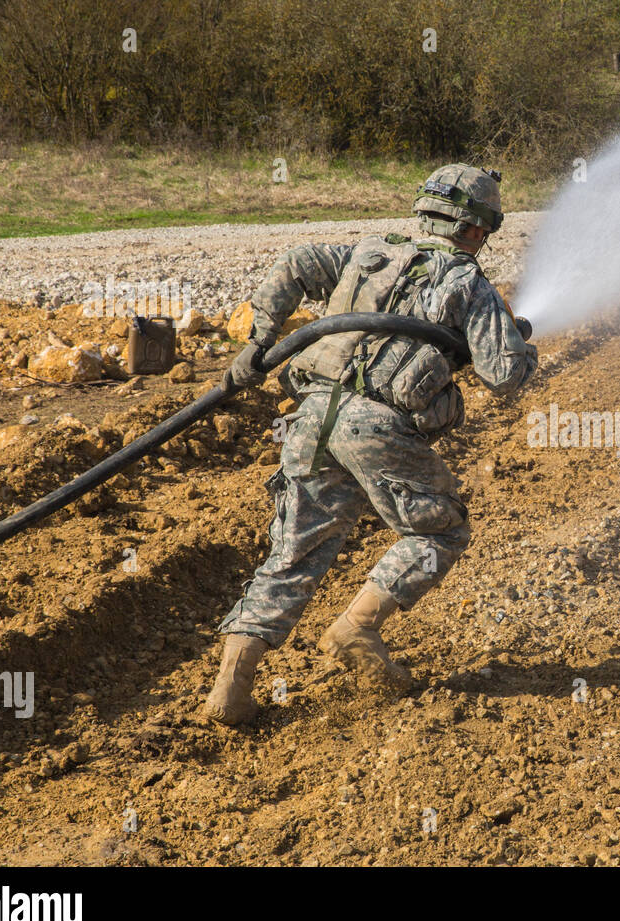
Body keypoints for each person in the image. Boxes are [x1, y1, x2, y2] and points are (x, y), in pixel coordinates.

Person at [203, 163, 537, 725]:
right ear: (478, 228)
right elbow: (503, 376)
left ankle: (230, 691)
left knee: (292, 553)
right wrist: (518, 343)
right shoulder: (468, 282)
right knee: (441, 528)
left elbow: (294, 263)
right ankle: (356, 628)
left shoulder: (366, 252)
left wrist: (261, 340)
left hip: (309, 418)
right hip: (378, 428)